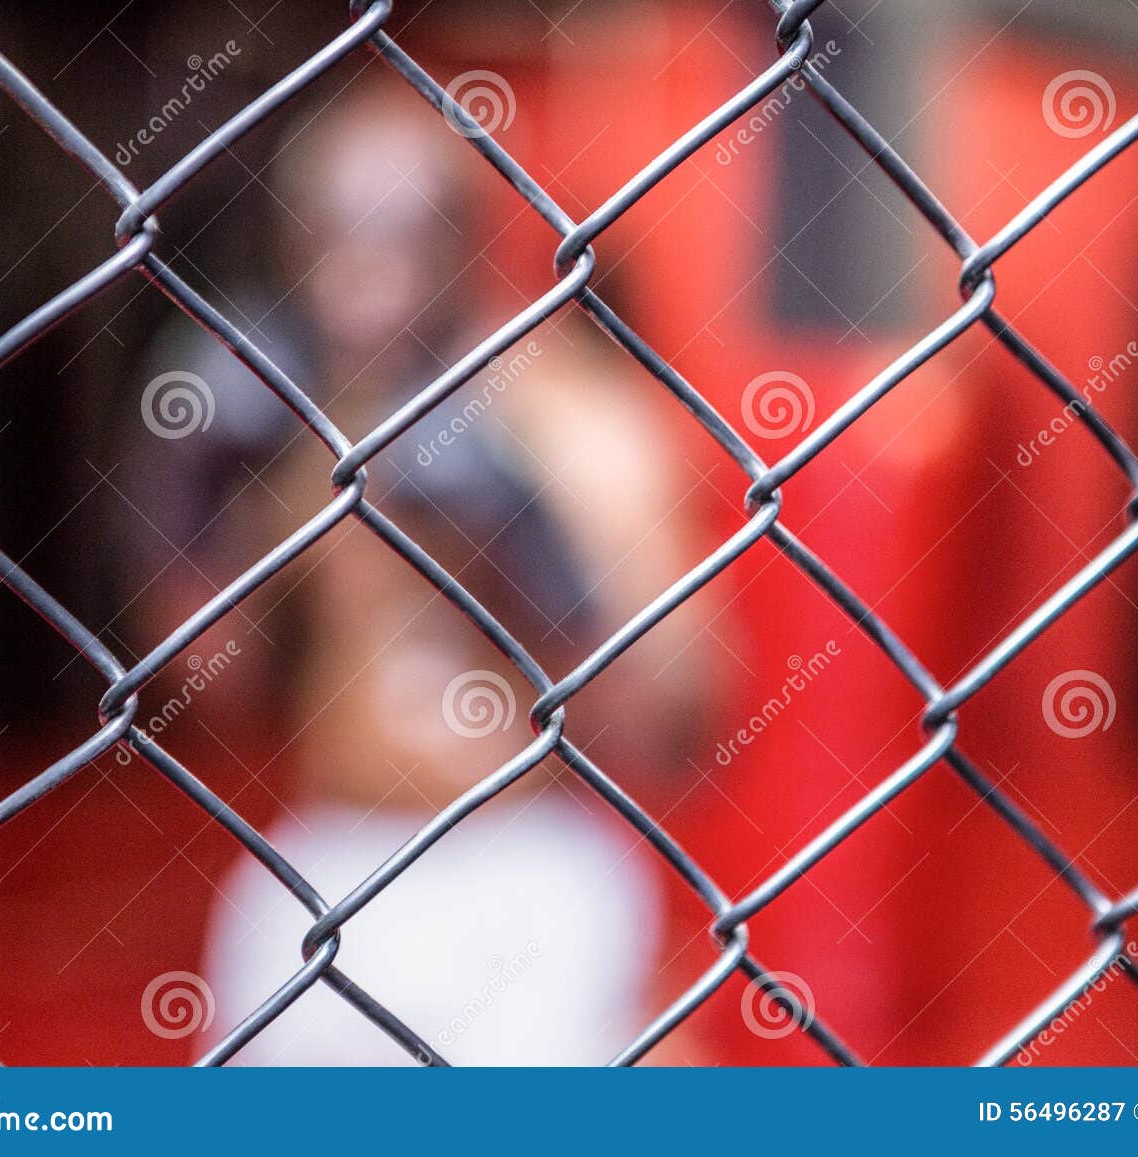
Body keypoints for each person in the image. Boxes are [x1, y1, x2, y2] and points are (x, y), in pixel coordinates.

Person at [192, 78, 716, 1064]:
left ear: (464, 244)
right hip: (323, 861)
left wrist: (532, 550)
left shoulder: (569, 413)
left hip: (521, 865)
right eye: (331, 239)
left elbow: (682, 721)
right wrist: (182, 519)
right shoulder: (293, 422)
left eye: (397, 237)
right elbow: (215, 693)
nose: (361, 278)